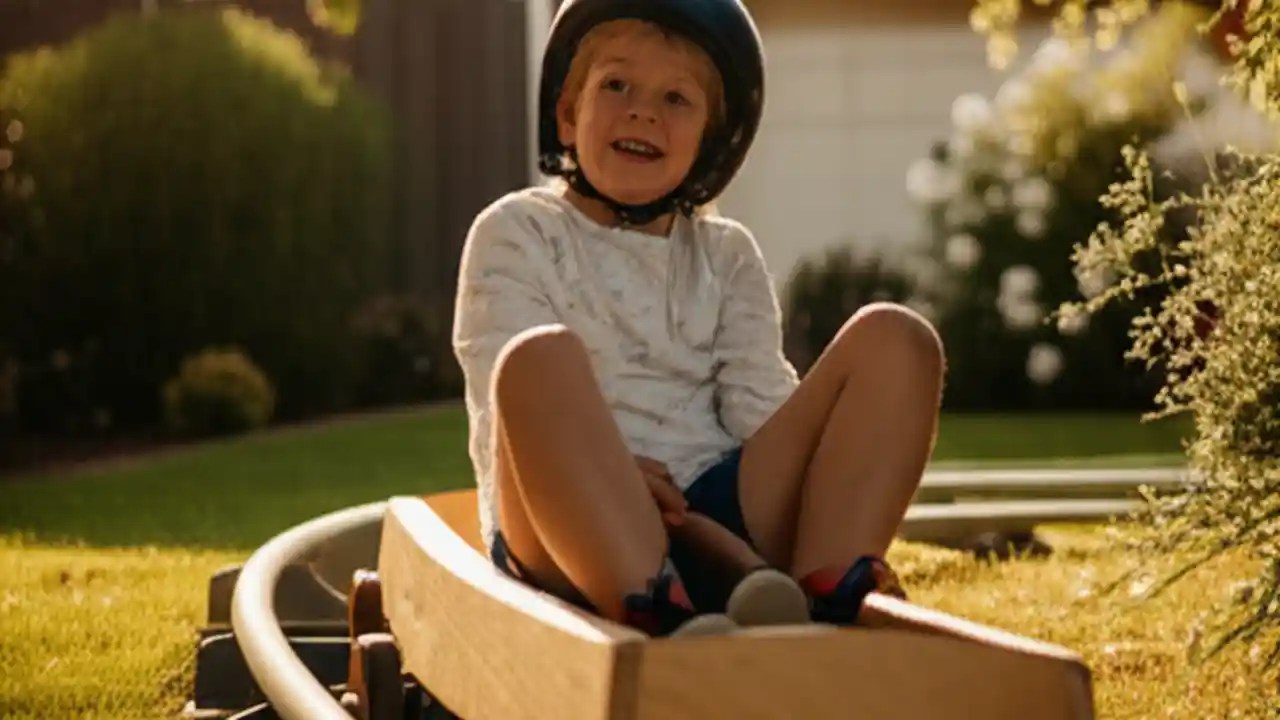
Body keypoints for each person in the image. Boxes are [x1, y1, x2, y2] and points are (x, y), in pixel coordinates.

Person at [452, 0, 944, 637]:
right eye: (617, 85)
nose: (643, 110)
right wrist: (622, 482)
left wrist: (765, 501)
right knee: (535, 358)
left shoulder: (726, 254)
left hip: (717, 511)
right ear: (569, 115)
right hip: (569, 522)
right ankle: (652, 606)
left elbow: (761, 410)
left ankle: (827, 593)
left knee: (899, 340)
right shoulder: (517, 232)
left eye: (677, 99)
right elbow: (509, 405)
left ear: (710, 141)